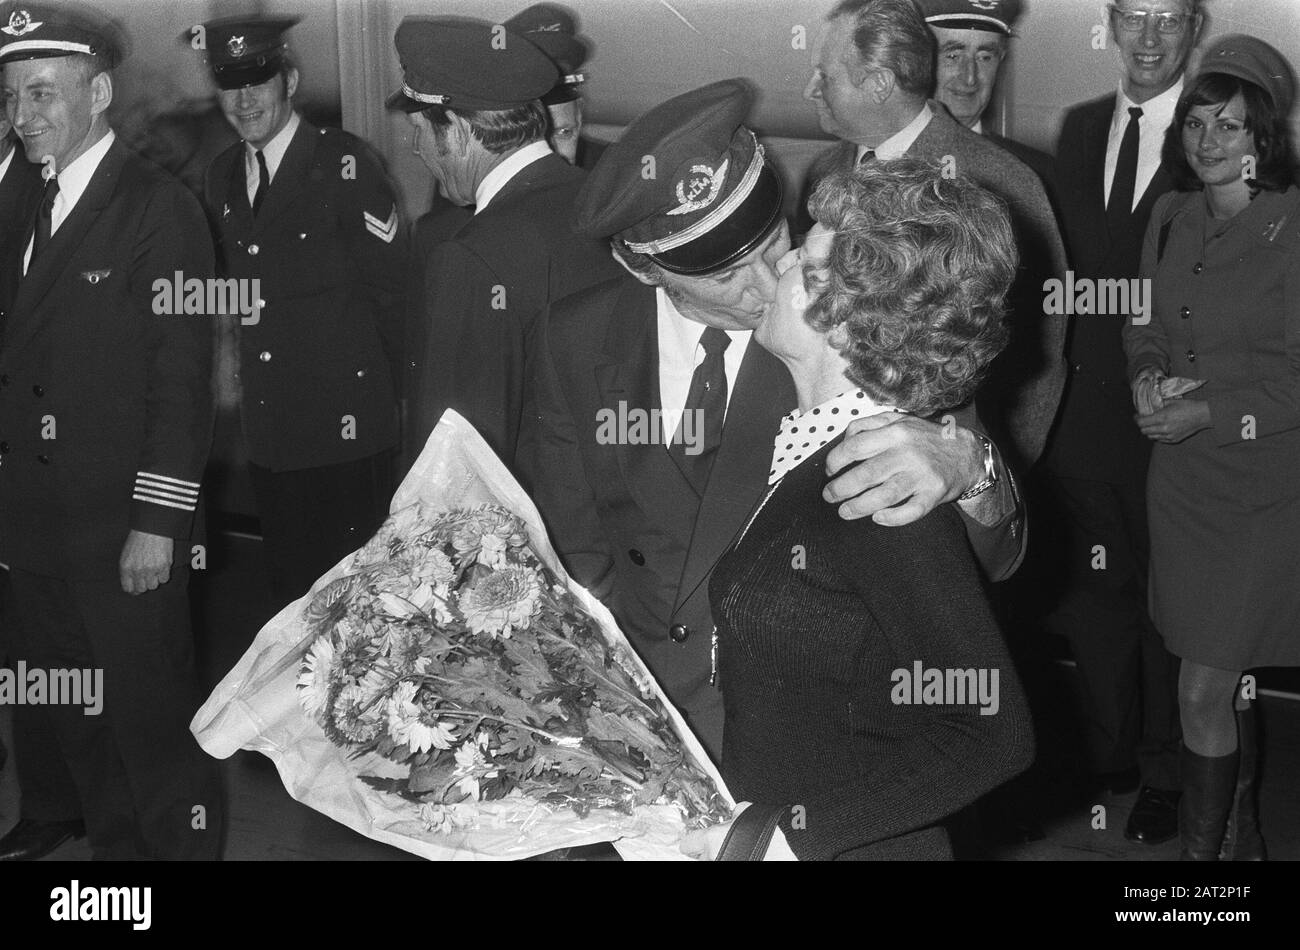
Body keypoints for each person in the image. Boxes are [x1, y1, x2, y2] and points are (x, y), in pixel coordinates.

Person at [525, 79, 1026, 762]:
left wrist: (972, 470)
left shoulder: (866, 321)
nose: (768, 287)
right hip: (635, 722)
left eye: (771, 245)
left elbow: (997, 561)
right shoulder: (573, 339)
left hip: (801, 739)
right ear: (645, 269)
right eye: (727, 274)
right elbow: (569, 545)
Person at [684, 159, 1034, 860]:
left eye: (803, 259)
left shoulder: (878, 486)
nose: (779, 261)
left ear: (839, 315)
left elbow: (993, 729)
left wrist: (784, 838)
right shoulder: (828, 452)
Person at [0, 1, 222, 860]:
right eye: (14, 97)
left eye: (44, 94)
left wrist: (159, 525)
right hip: (37, 528)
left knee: (152, 733)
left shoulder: (157, 209)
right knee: (81, 724)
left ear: (97, 94)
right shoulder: (21, 198)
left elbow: (182, 385)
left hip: (122, 528)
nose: (25, 117)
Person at [1124, 34, 1298, 862]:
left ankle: (1203, 876)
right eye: (1196, 123)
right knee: (1218, 685)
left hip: (1264, 491)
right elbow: (1146, 326)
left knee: (1204, 688)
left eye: (1230, 126)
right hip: (1183, 486)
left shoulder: (1294, 229)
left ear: (1265, 136)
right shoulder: (1170, 215)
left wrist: (1208, 413)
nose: (1208, 142)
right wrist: (1147, 377)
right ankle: (1241, 843)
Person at [1043, 0, 1203, 845]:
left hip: (1167, 418)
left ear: (1194, 29)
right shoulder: (1072, 129)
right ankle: (1107, 756)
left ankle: (1167, 769)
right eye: (1134, 17)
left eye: (1168, 19)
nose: (1148, 39)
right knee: (1093, 598)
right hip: (1076, 417)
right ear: (1109, 24)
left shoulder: (1216, 136)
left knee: (1165, 606)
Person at [195, 16, 409, 607]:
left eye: (258, 81)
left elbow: (394, 297)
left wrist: (392, 411)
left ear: (288, 79)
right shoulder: (218, 178)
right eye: (230, 84)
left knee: (363, 610)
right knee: (291, 603)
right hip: (271, 436)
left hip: (347, 436)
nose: (244, 100)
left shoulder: (343, 164)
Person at [802, 0, 1066, 473]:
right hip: (832, 449)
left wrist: (991, 478)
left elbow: (1038, 363)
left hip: (940, 468)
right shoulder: (827, 171)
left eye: (827, 76)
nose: (811, 90)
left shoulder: (1000, 183)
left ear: (880, 83)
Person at [397, 15, 621, 471]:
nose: (417, 152)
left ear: (457, 131)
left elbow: (455, 455)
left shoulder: (469, 257)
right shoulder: (602, 206)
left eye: (419, 133)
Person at [914, 0, 1057, 204]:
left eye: (985, 57)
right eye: (953, 55)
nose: (970, 77)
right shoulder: (881, 159)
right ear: (917, 59)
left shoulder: (1038, 176)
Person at [505, 3, 590, 166]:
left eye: (564, 132)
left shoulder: (608, 178)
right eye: (534, 140)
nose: (552, 156)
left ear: (578, 118)